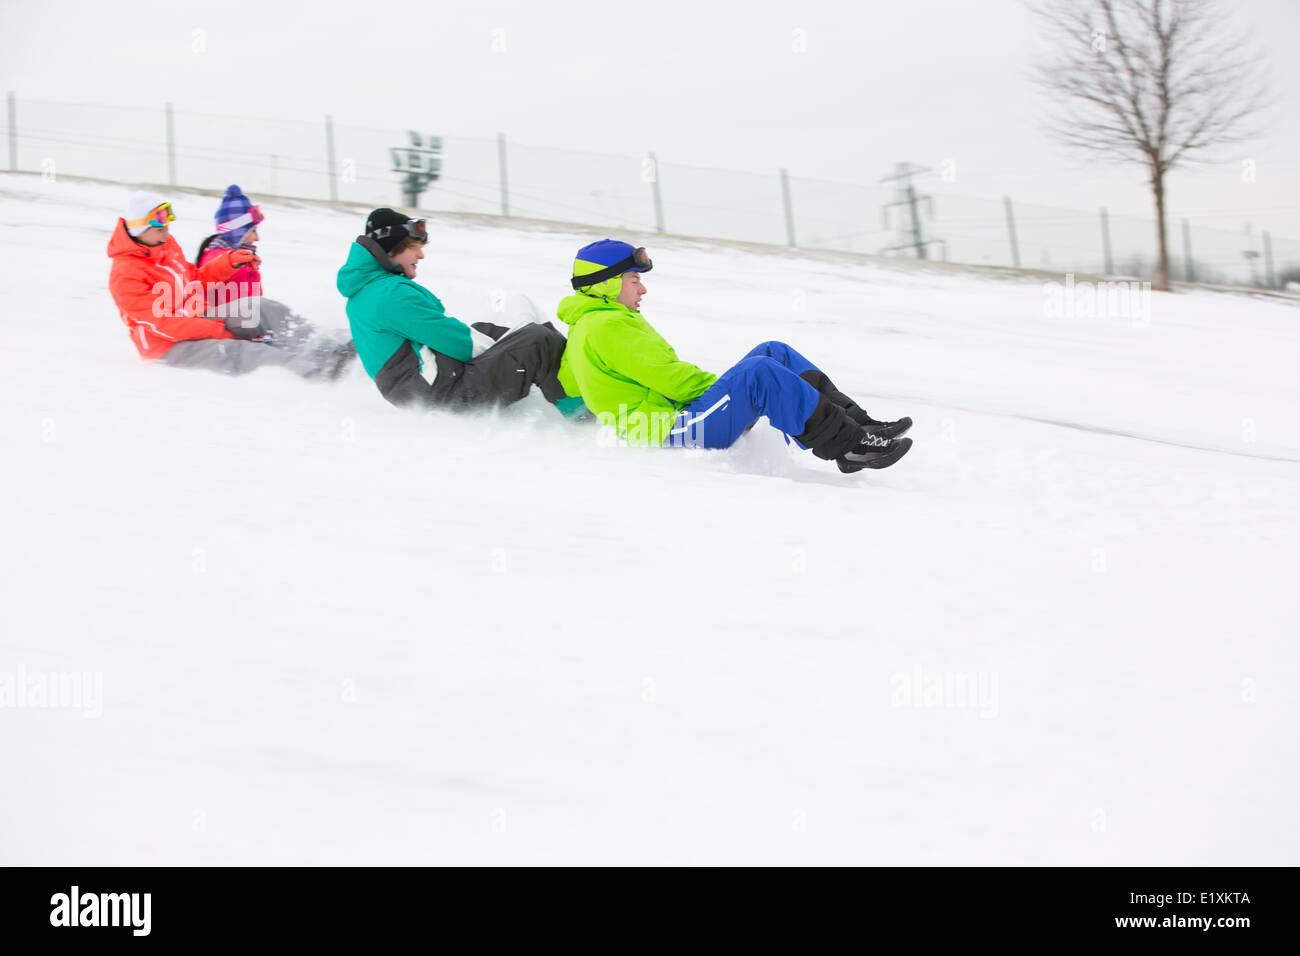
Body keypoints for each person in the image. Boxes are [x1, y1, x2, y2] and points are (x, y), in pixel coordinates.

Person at [555, 239, 913, 473]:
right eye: (634, 280)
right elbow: (672, 380)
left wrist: (731, 392)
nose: (643, 288)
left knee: (773, 352)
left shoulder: (595, 322)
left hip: (668, 418)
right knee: (759, 371)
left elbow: (574, 378)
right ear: (607, 283)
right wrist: (732, 391)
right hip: (664, 429)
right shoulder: (606, 327)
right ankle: (850, 446)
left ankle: (858, 423)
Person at [336, 208, 586, 416]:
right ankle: (584, 414)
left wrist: (508, 346)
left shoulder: (367, 291)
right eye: (413, 247)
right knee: (539, 341)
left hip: (431, 386)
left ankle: (566, 383)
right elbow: (460, 344)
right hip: (445, 395)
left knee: (509, 319)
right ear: (391, 249)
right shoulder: (390, 295)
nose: (420, 254)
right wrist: (511, 352)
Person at [106, 190, 354, 379]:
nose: (167, 230)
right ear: (140, 228)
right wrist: (214, 330)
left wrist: (229, 262)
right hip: (168, 346)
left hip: (201, 317)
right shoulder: (125, 274)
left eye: (168, 222)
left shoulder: (165, 246)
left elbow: (194, 278)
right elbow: (161, 324)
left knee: (260, 308)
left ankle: (324, 349)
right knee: (241, 352)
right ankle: (317, 372)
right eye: (160, 225)